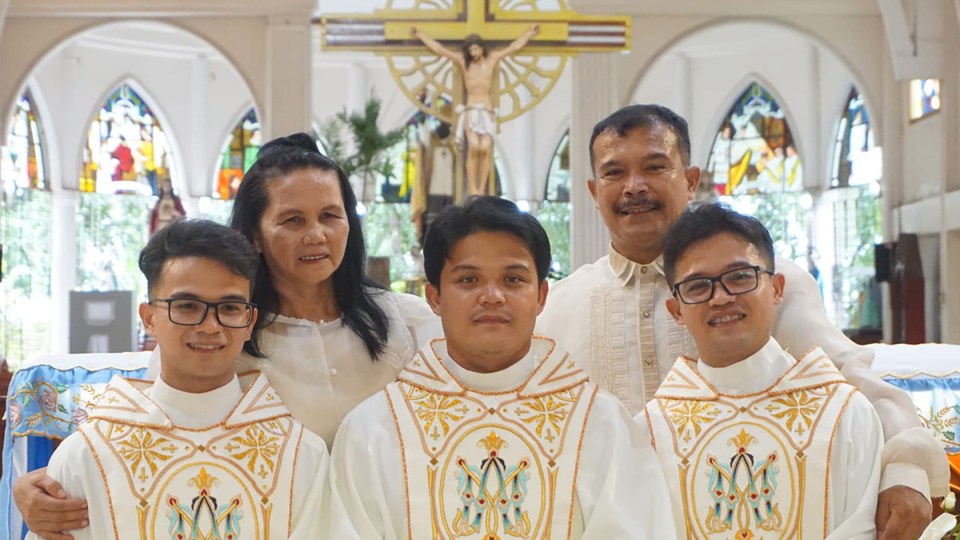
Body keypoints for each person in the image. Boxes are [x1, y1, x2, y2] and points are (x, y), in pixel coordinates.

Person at [536, 103, 949, 539]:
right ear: (593, 190)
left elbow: (855, 380)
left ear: (690, 180)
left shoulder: (760, 284)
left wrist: (907, 465)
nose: (634, 186)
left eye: (655, 167)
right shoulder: (558, 308)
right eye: (614, 172)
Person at [14, 133, 442, 539]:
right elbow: (162, 431)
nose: (316, 235)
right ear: (255, 235)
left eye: (330, 216)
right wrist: (54, 481)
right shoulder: (223, 334)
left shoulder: (406, 323)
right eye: (292, 220)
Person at [329, 196, 676, 539]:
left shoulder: (600, 424)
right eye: (468, 280)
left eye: (513, 280)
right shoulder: (373, 431)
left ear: (541, 296)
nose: (492, 296)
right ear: (434, 297)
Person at [24, 218, 329, 539]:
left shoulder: (299, 455)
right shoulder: (87, 455)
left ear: (249, 322)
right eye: (187, 306)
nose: (210, 326)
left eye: (229, 307)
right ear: (149, 318)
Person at [641, 203, 883, 539]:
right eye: (698, 286)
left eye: (740, 277)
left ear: (777, 288)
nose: (721, 297)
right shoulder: (650, 433)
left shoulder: (845, 414)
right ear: (676, 310)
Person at [412, 25, 539, 196]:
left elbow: (513, 47)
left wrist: (529, 34)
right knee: (474, 147)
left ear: (481, 48)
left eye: (475, 49)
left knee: (485, 148)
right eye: (470, 50)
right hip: (471, 110)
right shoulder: (464, 63)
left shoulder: (492, 60)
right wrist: (421, 35)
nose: (473, 53)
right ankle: (473, 188)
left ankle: (482, 187)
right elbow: (440, 49)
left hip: (486, 110)